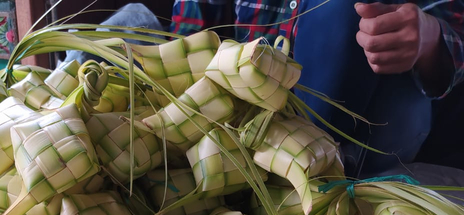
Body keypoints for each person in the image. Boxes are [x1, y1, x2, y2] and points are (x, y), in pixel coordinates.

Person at [170, 0, 464, 177]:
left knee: (342, 10)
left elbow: (455, 35)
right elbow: (186, 41)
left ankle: (324, 173)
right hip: (247, 120)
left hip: (373, 133)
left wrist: (429, 37)